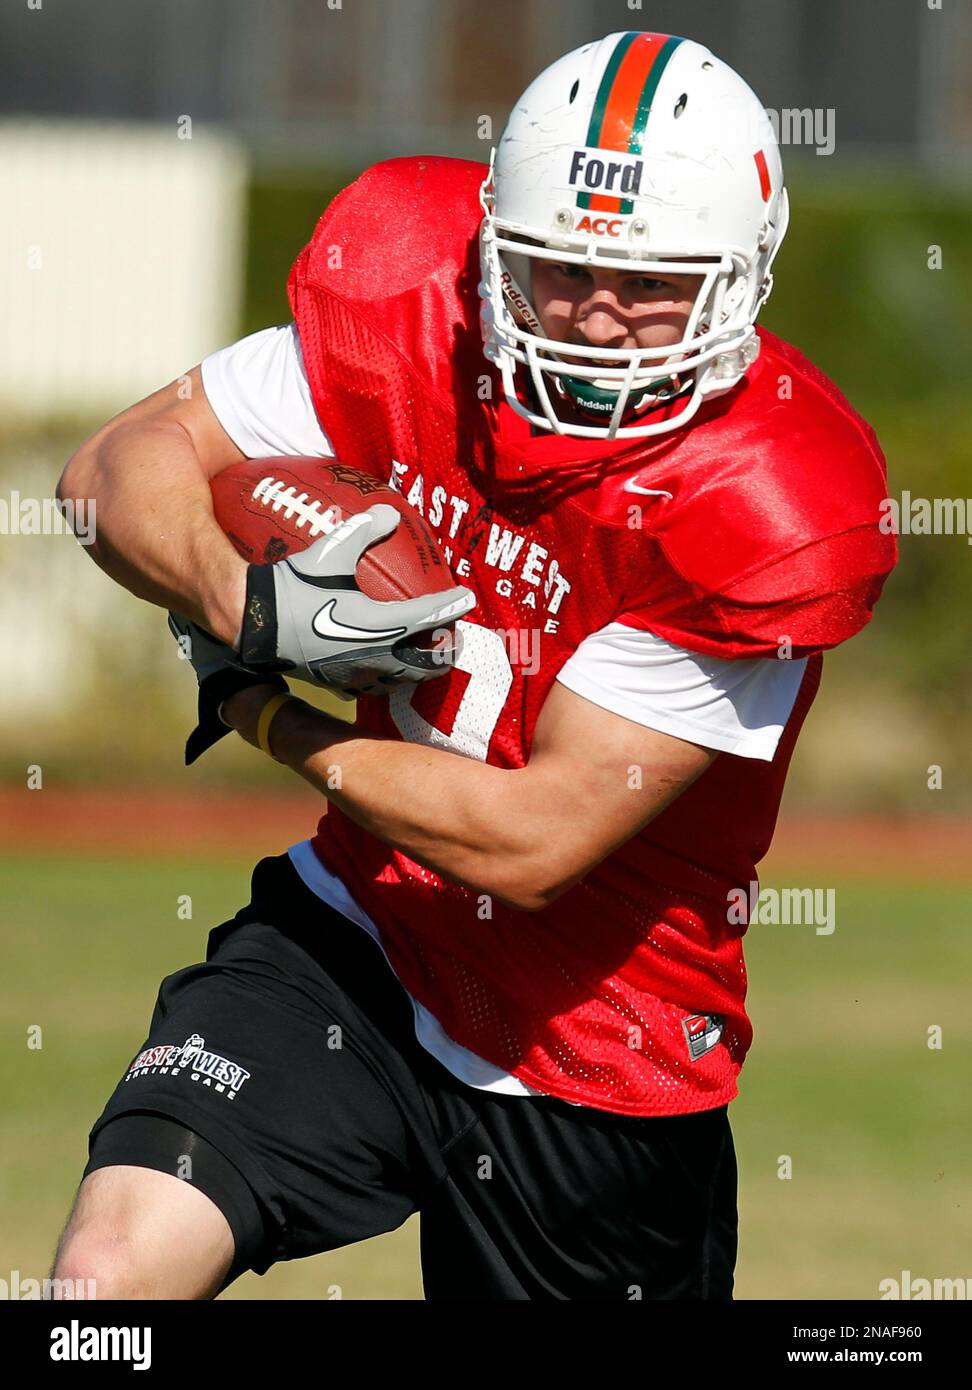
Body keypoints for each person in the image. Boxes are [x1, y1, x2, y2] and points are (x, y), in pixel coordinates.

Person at [52, 30, 896, 1300]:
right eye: (559, 267)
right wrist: (249, 600)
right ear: (496, 244)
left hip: (602, 1051)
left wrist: (264, 710)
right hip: (363, 933)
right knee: (101, 1285)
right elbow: (114, 467)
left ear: (742, 284)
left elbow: (533, 843)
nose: (599, 317)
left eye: (654, 283)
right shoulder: (407, 300)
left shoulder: (771, 498)